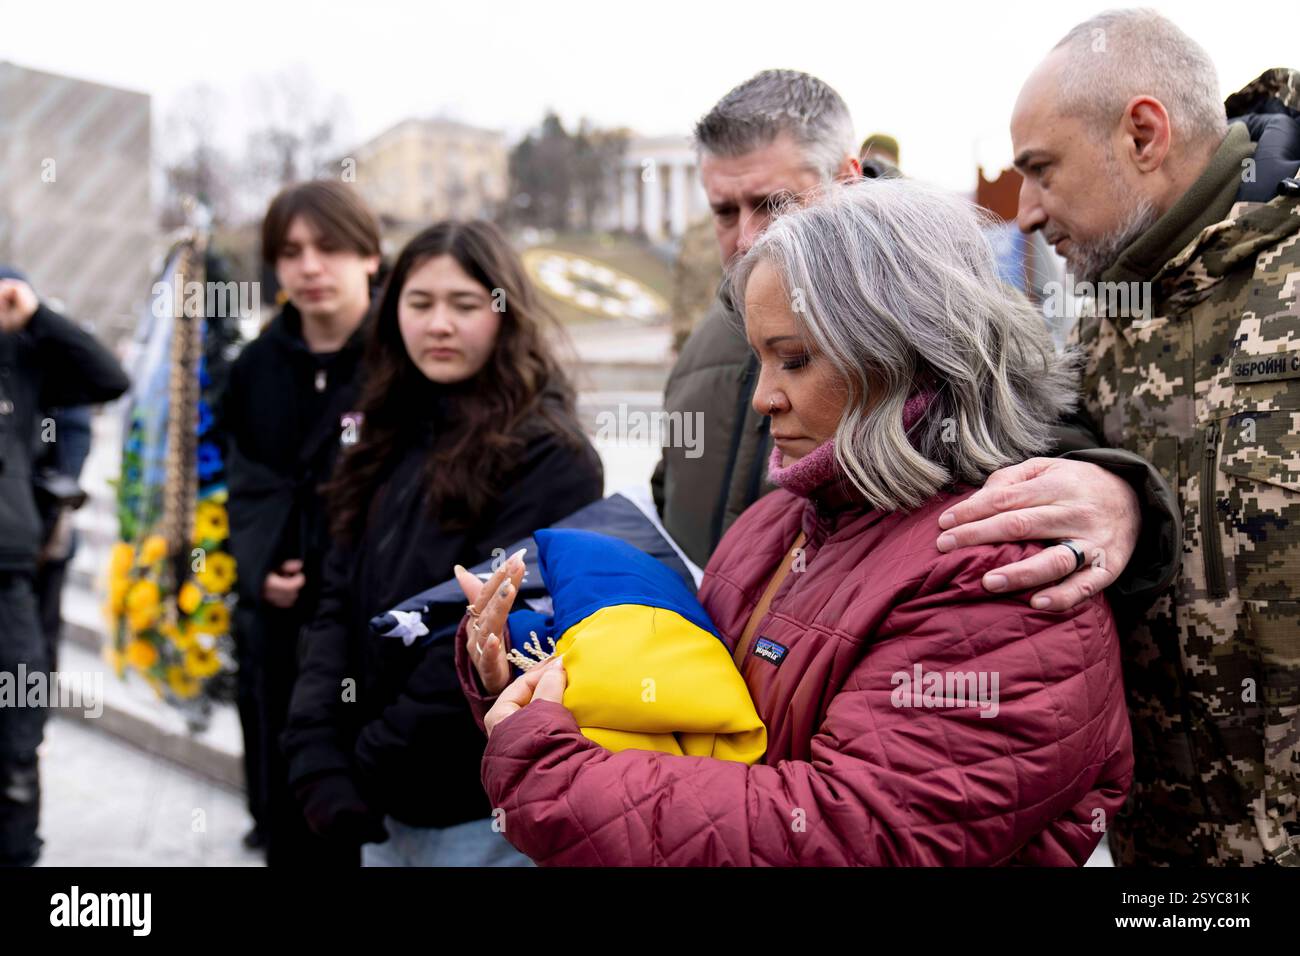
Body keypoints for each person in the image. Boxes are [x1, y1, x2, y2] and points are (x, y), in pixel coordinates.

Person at [454, 180, 1133, 866]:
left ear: (908, 353)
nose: (761, 398)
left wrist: (548, 770)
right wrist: (534, 674)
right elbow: (700, 723)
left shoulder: (1002, 576)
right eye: (760, 358)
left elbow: (847, 836)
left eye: (795, 359)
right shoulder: (780, 522)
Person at [655, 69, 1178, 629]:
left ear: (847, 178)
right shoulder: (709, 334)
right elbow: (674, 485)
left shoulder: (942, 307)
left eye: (771, 204)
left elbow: (1033, 437)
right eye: (724, 211)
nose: (746, 239)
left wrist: (1118, 494)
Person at [1008, 8, 1300, 865]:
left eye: (1041, 170)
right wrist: (1114, 484)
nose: (1023, 212)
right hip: (1169, 863)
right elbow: (1058, 431)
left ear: (1143, 133)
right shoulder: (1112, 310)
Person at [283, 220, 603, 867]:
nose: (439, 325)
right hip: (383, 804)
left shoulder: (550, 456)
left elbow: (482, 640)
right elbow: (337, 599)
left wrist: (362, 763)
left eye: (465, 305)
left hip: (477, 812)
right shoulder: (385, 431)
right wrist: (315, 744)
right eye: (420, 303)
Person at [222, 180, 382, 865]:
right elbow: (242, 483)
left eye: (330, 247)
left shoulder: (400, 360)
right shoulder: (255, 366)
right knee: (282, 805)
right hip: (276, 626)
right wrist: (260, 568)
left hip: (366, 631)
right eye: (289, 252)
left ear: (370, 255)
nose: (310, 267)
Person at [0, 267, 129, 866]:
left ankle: (18, 848)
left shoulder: (21, 355)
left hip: (11, 573)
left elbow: (108, 379)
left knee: (17, 732)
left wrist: (34, 315)